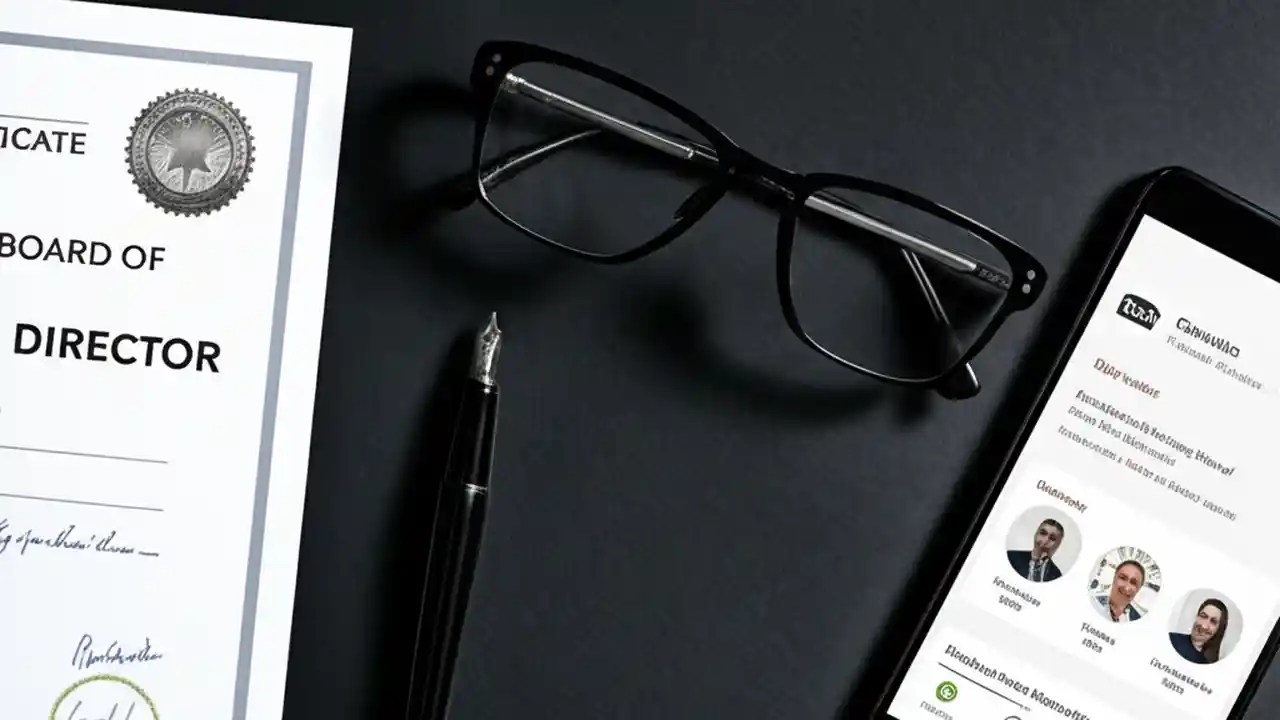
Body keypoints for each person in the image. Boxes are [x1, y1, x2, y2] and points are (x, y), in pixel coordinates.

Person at [1170, 599, 1229, 664]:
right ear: (1196, 617)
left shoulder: (1213, 666)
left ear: (1218, 629)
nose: (1204, 626)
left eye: (1213, 621)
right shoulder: (1171, 640)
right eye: (1203, 616)